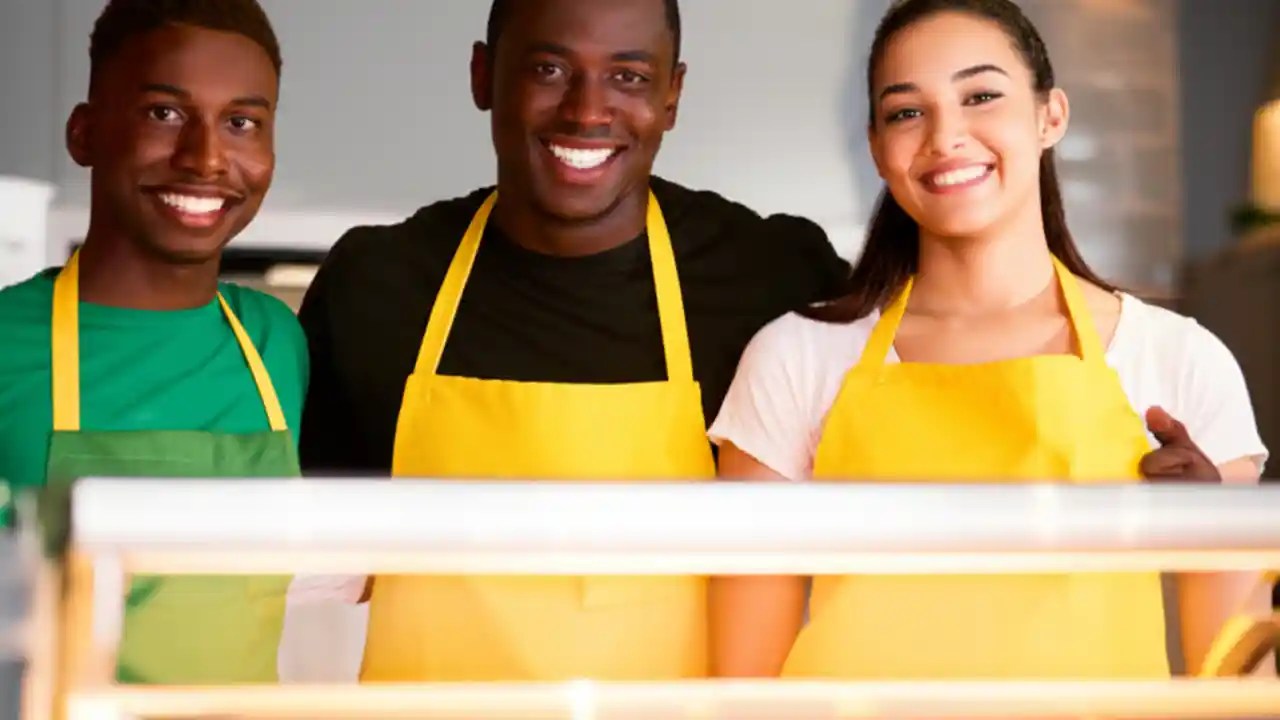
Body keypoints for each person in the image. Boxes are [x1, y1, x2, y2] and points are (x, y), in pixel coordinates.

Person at [708, 0, 1272, 680]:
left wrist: (1210, 530)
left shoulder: (1181, 361)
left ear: (1050, 116)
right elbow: (742, 681)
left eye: (980, 96)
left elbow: (1237, 679)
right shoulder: (795, 356)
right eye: (906, 112)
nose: (945, 136)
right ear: (876, 145)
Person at [295, 0, 850, 682]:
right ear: (482, 76)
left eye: (629, 77)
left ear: (671, 95)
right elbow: (305, 560)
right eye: (550, 69)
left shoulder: (771, 276)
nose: (587, 112)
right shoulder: (378, 284)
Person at [0, 0, 305, 684]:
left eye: (241, 123)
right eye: (164, 113)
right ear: (84, 132)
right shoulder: (4, 344)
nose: (205, 158)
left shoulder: (276, 344)